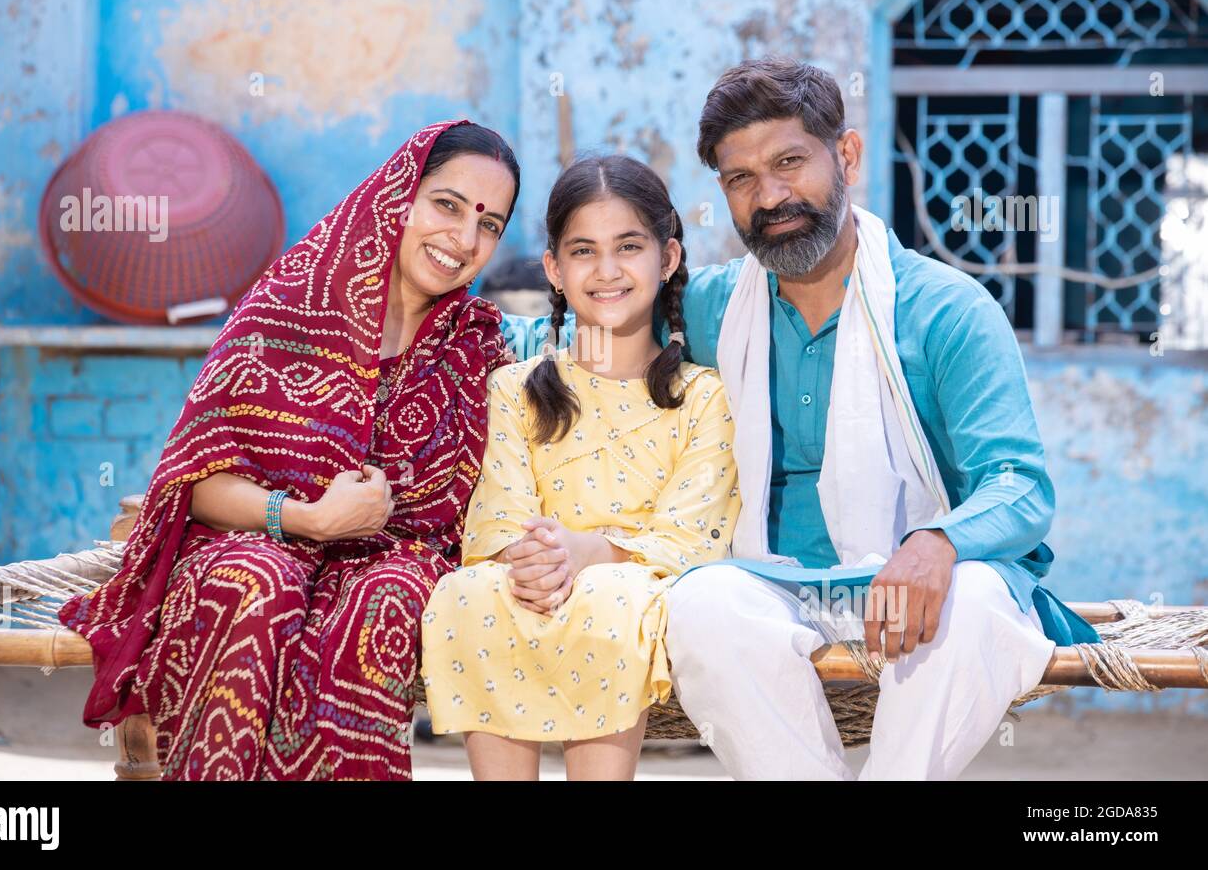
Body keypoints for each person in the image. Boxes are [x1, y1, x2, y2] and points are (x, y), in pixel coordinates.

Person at [501, 57, 1100, 781]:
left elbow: (1019, 485)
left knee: (976, 597)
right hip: (773, 585)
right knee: (702, 601)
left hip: (917, 590)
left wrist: (938, 542)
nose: (771, 196)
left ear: (845, 154)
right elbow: (579, 337)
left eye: (790, 162)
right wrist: (435, 328)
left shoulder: (946, 311)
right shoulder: (717, 308)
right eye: (741, 179)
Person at [59, 120, 520, 780]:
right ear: (400, 195)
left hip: (394, 561)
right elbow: (199, 480)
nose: (464, 239)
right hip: (253, 540)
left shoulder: (475, 346)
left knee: (381, 598)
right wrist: (306, 520)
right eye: (446, 205)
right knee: (259, 583)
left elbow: (467, 514)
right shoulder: (289, 302)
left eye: (491, 224)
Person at [420, 154, 740, 780]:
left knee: (610, 595)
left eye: (628, 246)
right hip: (529, 580)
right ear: (555, 270)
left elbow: (691, 538)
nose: (608, 271)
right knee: (468, 591)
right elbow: (496, 521)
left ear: (668, 259)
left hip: (632, 584)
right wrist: (540, 558)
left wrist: (588, 554)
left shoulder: (705, 397)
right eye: (584, 251)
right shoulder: (514, 389)